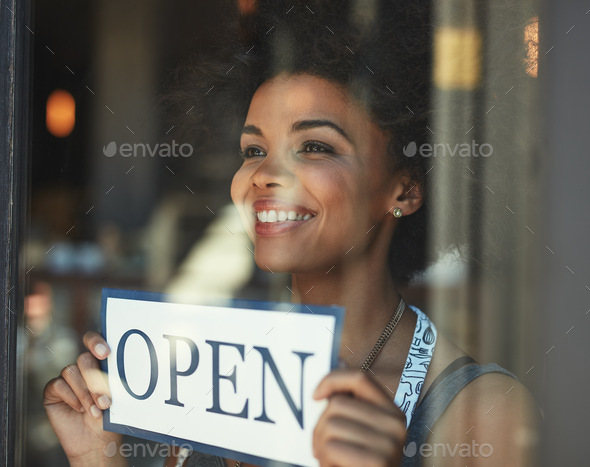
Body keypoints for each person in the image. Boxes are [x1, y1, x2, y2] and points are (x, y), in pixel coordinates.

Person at [43, 1, 538, 466]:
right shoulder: (204, 378)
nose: (263, 175)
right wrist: (97, 456)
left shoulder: (482, 411)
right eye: (254, 150)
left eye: (316, 146)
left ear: (405, 189)